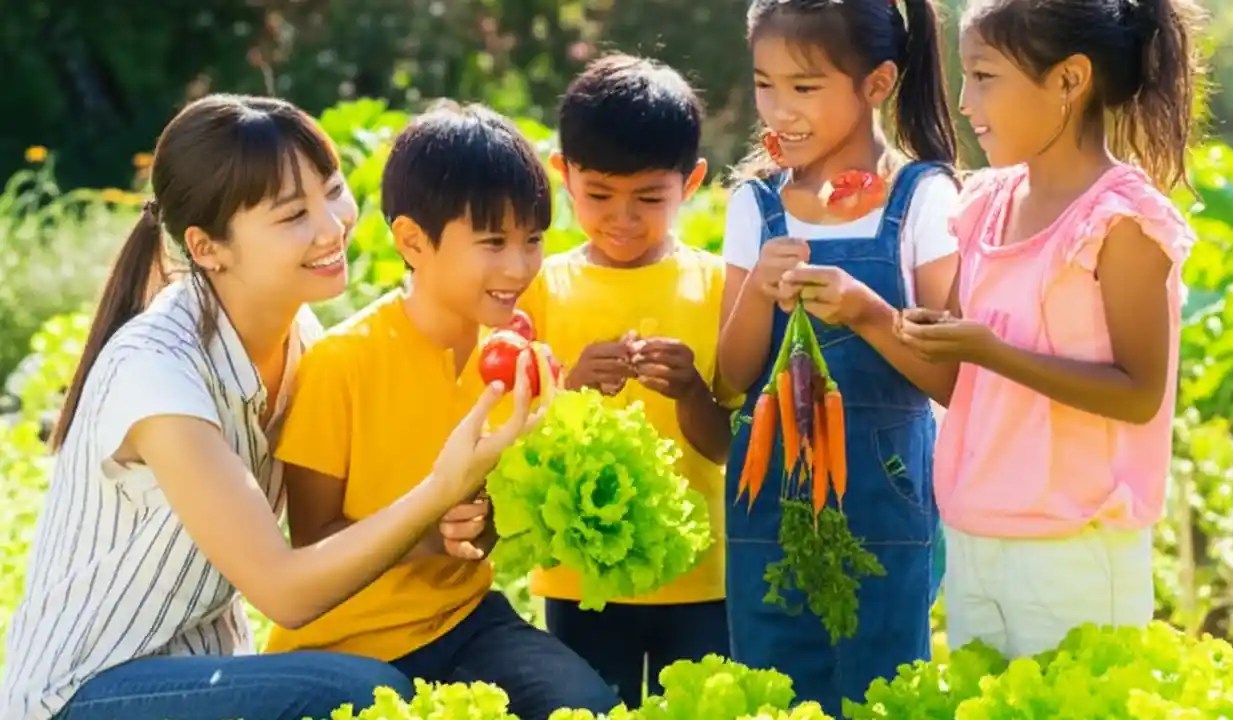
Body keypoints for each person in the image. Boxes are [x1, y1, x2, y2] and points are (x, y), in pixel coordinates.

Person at [0, 94, 544, 720]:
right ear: (207, 248)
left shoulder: (301, 337)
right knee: (364, 697)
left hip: (205, 668)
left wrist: (439, 530)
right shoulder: (157, 374)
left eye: (333, 189)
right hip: (82, 694)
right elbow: (283, 592)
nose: (332, 225)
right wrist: (439, 489)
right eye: (292, 215)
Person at [261, 100, 619, 720]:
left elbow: (501, 512)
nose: (519, 265)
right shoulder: (343, 361)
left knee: (583, 704)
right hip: (348, 644)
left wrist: (496, 525)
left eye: (532, 240)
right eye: (492, 242)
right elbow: (311, 541)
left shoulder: (518, 359)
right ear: (412, 241)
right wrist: (428, 535)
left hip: (465, 619)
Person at [893, 0, 1203, 659]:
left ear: (1069, 80)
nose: (966, 101)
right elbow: (957, 381)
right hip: (977, 537)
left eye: (984, 76)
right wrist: (864, 312)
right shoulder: (984, 206)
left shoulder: (1120, 223)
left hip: (1076, 551)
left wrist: (995, 353)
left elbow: (1138, 392)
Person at [716, 0, 961, 712]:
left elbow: (948, 378)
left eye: (804, 86)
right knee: (772, 688)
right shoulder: (753, 206)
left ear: (877, 83)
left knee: (880, 688)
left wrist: (868, 312)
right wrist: (759, 292)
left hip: (884, 502)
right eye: (765, 83)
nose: (779, 108)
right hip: (767, 505)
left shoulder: (923, 199)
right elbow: (732, 378)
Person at [517, 54, 736, 707]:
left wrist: (694, 390)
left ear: (692, 182)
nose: (621, 218)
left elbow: (729, 445)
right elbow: (513, 440)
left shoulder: (720, 286)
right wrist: (572, 386)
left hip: (701, 576)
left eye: (648, 198)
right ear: (562, 175)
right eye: (598, 196)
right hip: (580, 576)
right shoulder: (541, 288)